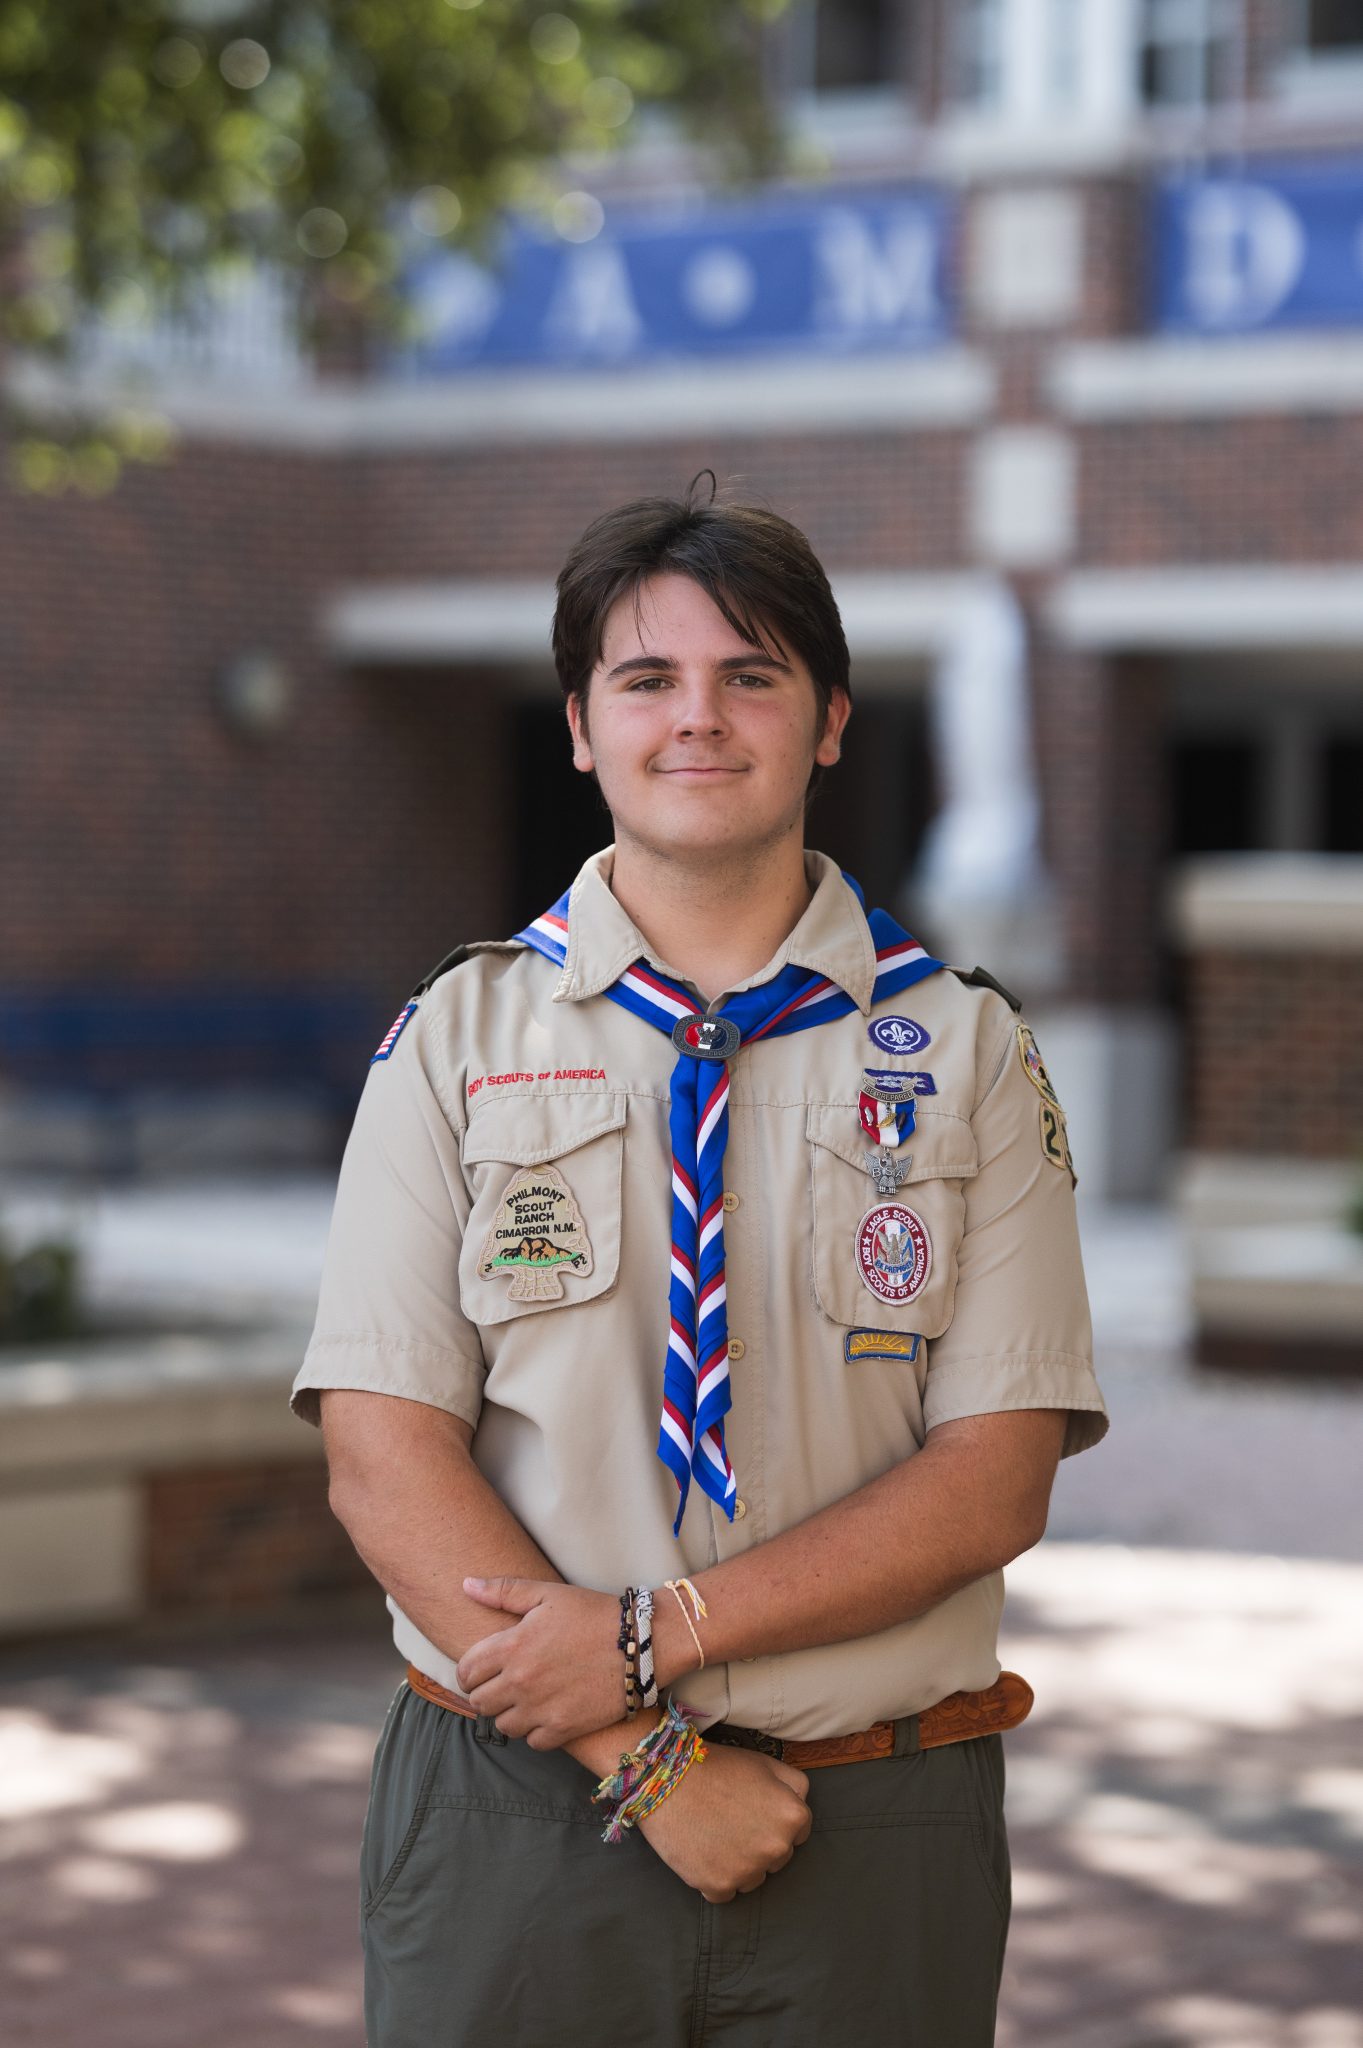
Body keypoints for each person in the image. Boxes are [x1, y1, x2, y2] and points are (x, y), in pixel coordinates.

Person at [291, 475, 1110, 2048]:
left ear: (830, 721)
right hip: (518, 1815)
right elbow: (383, 1454)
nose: (700, 719)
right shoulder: (452, 1041)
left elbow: (996, 1474)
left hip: (877, 1821)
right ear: (584, 728)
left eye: (753, 676)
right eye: (647, 679)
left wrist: (656, 1635)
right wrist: (644, 1752)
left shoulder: (968, 1050)